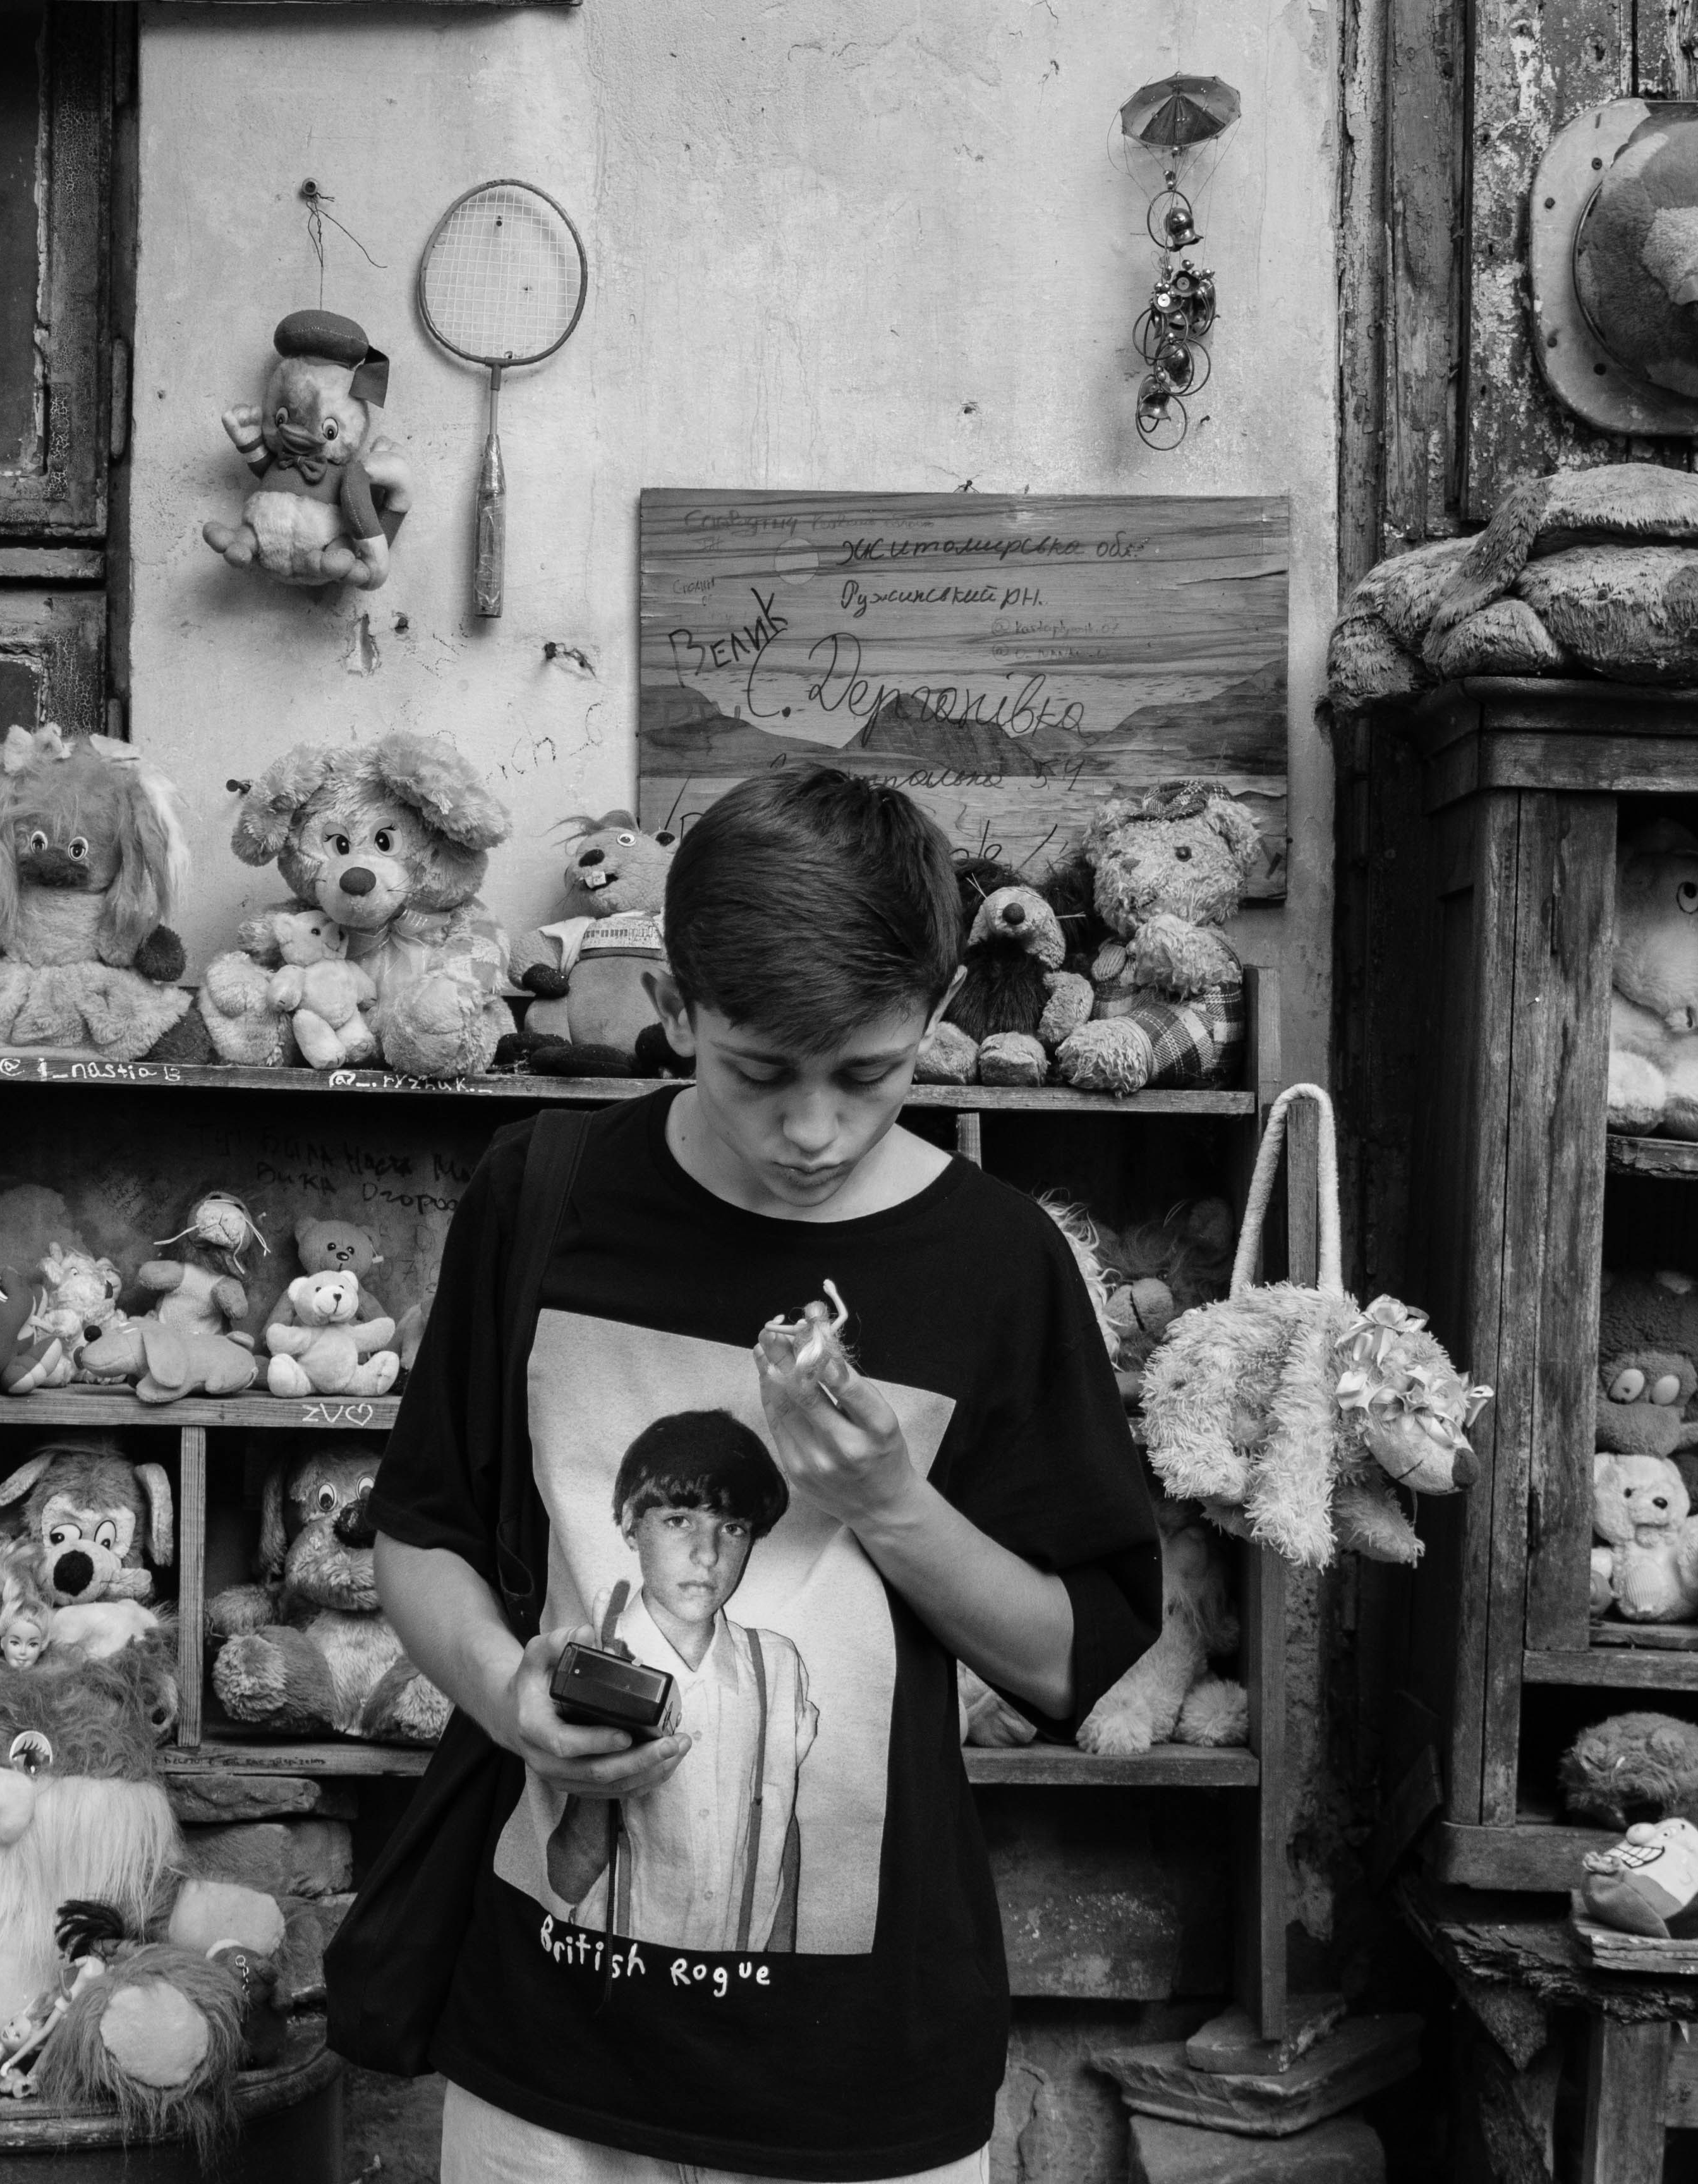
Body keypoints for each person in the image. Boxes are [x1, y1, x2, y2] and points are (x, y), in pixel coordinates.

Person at [373, 767, 1159, 2184]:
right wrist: (507, 1699)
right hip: (542, 2051)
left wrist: (887, 1504)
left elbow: (1070, 1662)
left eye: (870, 1073)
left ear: (936, 1015)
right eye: (758, 1071)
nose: (815, 1130)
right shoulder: (541, 1195)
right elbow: (419, 1532)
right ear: (674, 1009)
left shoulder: (995, 1263)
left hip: (860, 2080)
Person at [542, 1409, 814, 1953]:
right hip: (620, 1985)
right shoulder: (589, 1656)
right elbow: (568, 1881)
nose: (708, 1555)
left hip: (735, 1993)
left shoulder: (778, 1667)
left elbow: (780, 1829)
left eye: (732, 1528)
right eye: (679, 1521)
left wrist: (780, 1979)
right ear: (628, 1523)